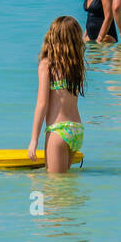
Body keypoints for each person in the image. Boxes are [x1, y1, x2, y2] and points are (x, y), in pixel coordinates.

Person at [27, 15, 86, 174]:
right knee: (65, 189)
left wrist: (34, 139)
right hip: (76, 130)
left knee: (55, 188)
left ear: (52, 36)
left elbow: (42, 104)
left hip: (59, 131)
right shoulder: (75, 64)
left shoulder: (47, 64)